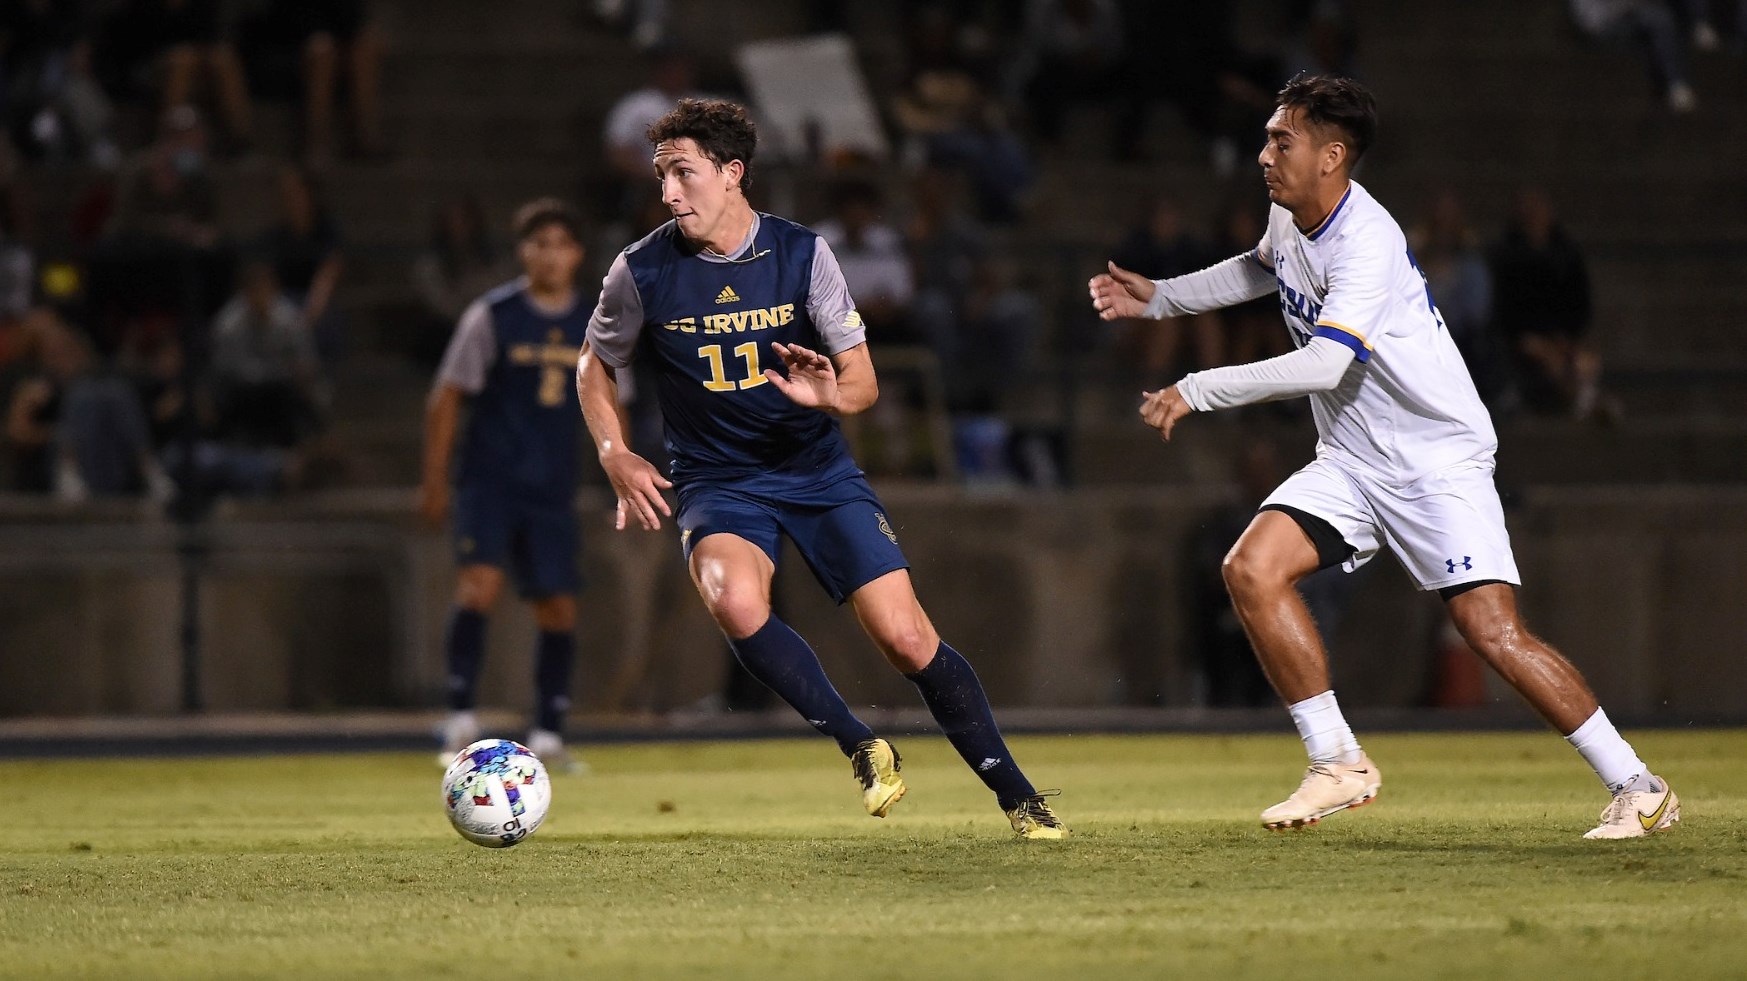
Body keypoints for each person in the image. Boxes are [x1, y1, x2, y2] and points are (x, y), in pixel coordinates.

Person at [1087, 74, 1677, 840]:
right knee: (1249, 568)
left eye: (1281, 139)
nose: (1263, 152)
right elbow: (1262, 266)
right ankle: (1336, 759)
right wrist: (1162, 297)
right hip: (1354, 456)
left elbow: (1325, 365)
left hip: (1435, 458)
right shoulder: (1287, 210)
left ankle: (1638, 783)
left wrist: (1199, 387)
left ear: (1332, 155)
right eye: (1268, 135)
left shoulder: (1366, 239)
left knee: (1491, 632)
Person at [575, 98, 1066, 838]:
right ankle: (861, 742)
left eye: (683, 173)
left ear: (732, 172)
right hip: (717, 480)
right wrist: (614, 452)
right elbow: (593, 366)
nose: (669, 193)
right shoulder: (639, 269)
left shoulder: (803, 254)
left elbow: (863, 383)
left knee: (905, 639)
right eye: (661, 175)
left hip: (814, 470)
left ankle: (1019, 797)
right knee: (734, 601)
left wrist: (830, 393)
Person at [420, 199, 593, 772]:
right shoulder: (492, 315)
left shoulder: (595, 326)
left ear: (578, 255)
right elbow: (446, 396)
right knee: (478, 586)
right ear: (522, 252)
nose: (548, 254)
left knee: (558, 606)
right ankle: (460, 713)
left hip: (553, 487)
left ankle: (549, 729)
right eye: (537, 242)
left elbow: (612, 404)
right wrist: (435, 481)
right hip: (490, 479)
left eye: (559, 243)